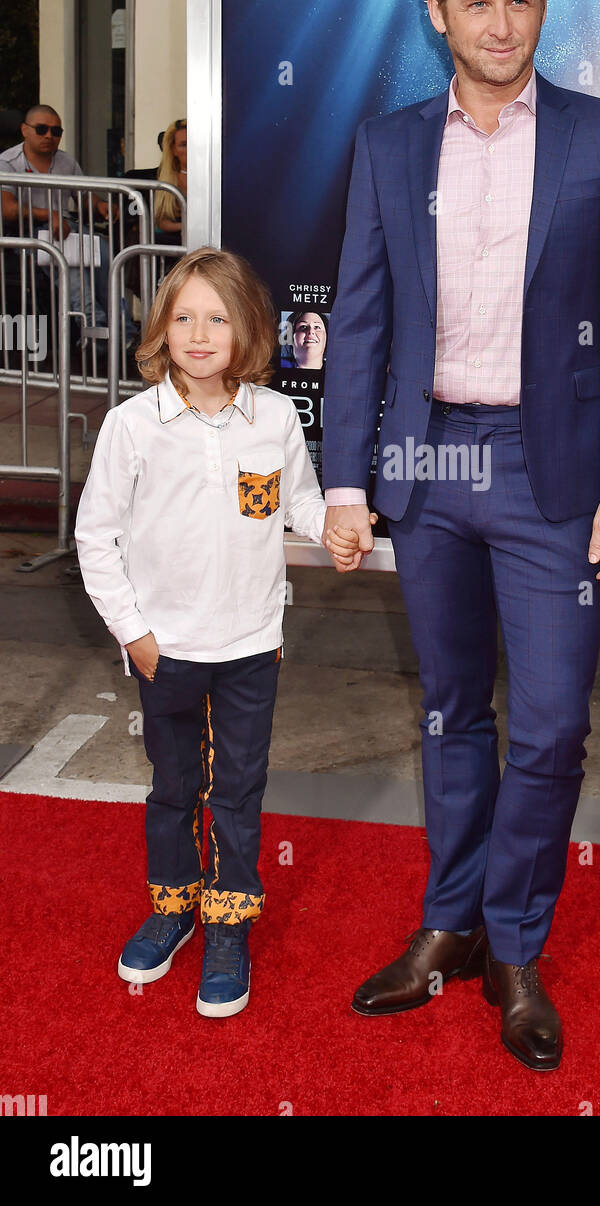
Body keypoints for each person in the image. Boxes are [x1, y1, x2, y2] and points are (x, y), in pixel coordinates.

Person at [321, 0, 600, 1071]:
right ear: (437, 13)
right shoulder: (388, 145)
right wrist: (344, 479)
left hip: (549, 472)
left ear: (543, 4)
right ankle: (451, 923)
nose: (501, 24)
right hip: (424, 466)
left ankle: (517, 942)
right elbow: (360, 319)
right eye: (476, 3)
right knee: (449, 710)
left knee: (556, 723)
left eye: (519, 1)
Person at [75, 245, 334, 1018]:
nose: (198, 333)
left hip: (252, 644)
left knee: (239, 791)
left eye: (216, 317)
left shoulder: (275, 417)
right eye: (182, 316)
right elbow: (96, 538)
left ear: (248, 329)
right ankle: (172, 907)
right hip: (166, 651)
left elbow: (301, 505)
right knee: (174, 786)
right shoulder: (131, 426)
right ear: (160, 328)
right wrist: (135, 635)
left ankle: (228, 920)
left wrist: (338, 530)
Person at [0, 104, 122, 340]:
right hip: (29, 236)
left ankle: (123, 334)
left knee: (109, 260)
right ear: (25, 130)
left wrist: (99, 205)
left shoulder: (66, 161)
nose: (49, 135)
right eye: (42, 129)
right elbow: (7, 209)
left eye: (56, 132)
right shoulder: (7, 161)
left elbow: (83, 197)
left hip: (68, 229)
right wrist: (49, 215)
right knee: (74, 275)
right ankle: (96, 336)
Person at [153, 118, 187, 243]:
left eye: (193, 143)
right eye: (183, 144)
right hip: (173, 245)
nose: (189, 149)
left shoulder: (212, 180)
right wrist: (185, 226)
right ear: (173, 150)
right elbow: (161, 221)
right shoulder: (167, 179)